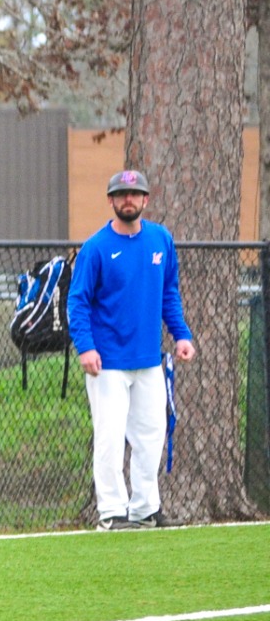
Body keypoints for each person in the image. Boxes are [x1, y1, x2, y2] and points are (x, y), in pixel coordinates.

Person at [67, 169, 196, 530]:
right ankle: (111, 512)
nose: (129, 200)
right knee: (109, 436)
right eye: (121, 195)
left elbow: (168, 292)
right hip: (107, 362)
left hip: (149, 360)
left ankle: (144, 509)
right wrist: (85, 347)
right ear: (111, 201)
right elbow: (77, 302)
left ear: (145, 199)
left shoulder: (160, 240)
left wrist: (181, 335)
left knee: (152, 434)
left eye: (135, 194)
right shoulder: (96, 248)